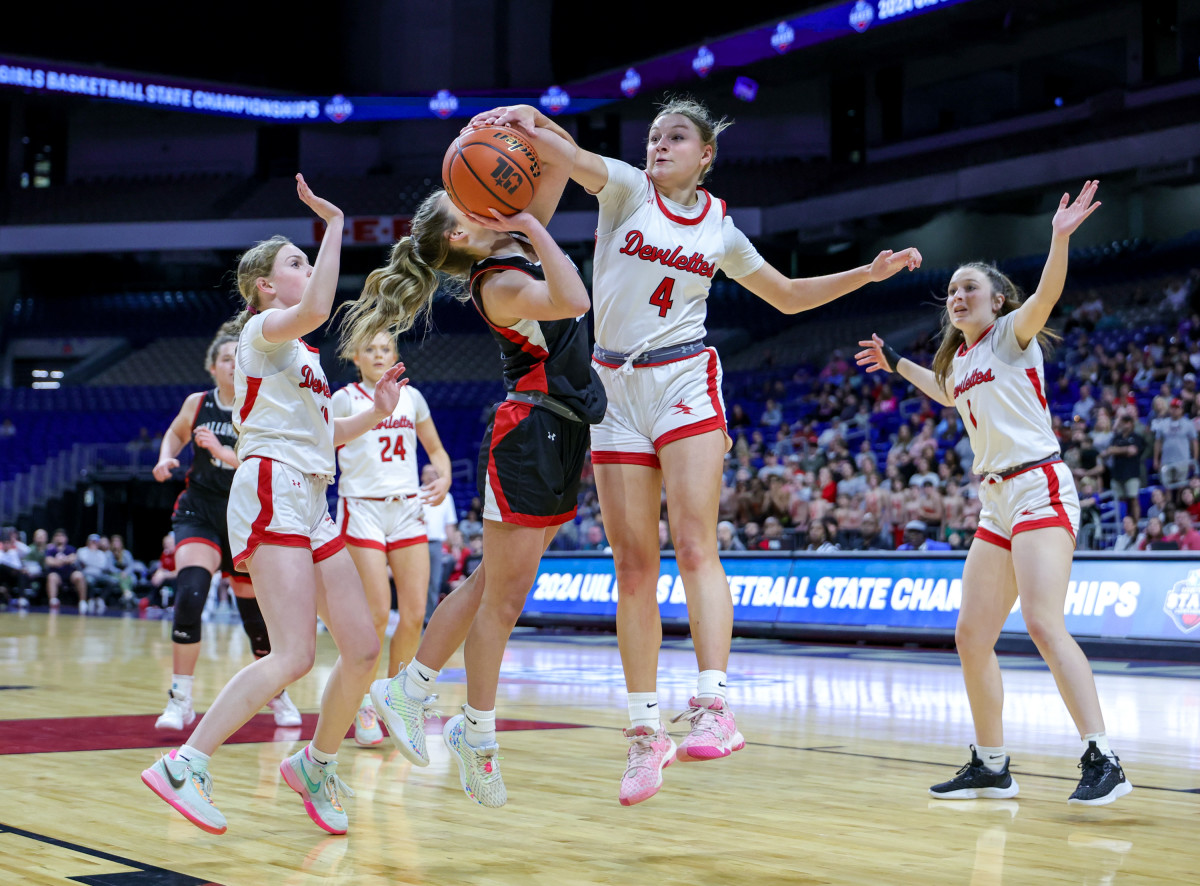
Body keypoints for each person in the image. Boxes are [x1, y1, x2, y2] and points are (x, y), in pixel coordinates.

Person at [466, 98, 922, 804]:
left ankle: (714, 703)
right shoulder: (623, 188)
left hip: (683, 376)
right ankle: (647, 734)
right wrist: (523, 121)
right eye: (653, 136)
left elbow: (790, 296)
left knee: (693, 541)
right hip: (613, 385)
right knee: (634, 565)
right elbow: (570, 156)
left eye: (676, 136)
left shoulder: (721, 229)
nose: (659, 145)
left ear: (706, 154)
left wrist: (866, 274)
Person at [142, 175, 405, 836]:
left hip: (312, 495)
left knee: (364, 645)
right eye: (296, 261)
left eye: (307, 257)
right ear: (266, 285)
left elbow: (323, 432)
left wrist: (373, 414)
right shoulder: (262, 333)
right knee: (291, 655)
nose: (308, 267)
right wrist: (336, 223)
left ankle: (316, 763)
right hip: (271, 488)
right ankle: (186, 764)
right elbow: (318, 306)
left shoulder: (304, 356)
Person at [856, 180, 1132, 806]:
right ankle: (991, 764)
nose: (956, 296)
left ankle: (1103, 756)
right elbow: (945, 390)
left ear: (996, 299)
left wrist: (1058, 240)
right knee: (971, 635)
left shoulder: (1012, 334)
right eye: (951, 291)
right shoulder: (962, 363)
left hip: (1039, 488)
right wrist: (897, 361)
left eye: (968, 288)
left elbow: (1049, 293)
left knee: (1041, 622)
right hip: (996, 504)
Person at [368, 120, 604, 809]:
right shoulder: (499, 281)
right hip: (526, 434)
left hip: (561, 433)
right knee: (496, 598)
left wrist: (524, 121)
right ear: (466, 237)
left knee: (497, 591)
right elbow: (575, 300)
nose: (490, 202)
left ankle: (442, 711)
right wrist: (531, 224)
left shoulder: (517, 245)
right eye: (470, 204)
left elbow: (553, 168)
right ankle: (441, 710)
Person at [150, 322, 303, 733]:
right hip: (200, 509)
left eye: (239, 357)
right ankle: (180, 699)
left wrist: (220, 451)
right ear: (213, 367)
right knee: (190, 592)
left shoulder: (263, 403)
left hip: (245, 513)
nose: (232, 363)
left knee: (254, 614)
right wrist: (167, 457)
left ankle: (277, 694)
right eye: (224, 358)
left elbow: (265, 458)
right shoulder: (198, 403)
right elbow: (175, 434)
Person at [331, 331, 452, 747]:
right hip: (362, 507)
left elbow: (436, 450)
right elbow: (324, 442)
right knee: (378, 614)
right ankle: (363, 702)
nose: (379, 354)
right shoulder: (345, 398)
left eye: (386, 348)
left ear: (395, 355)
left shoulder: (412, 397)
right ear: (355, 356)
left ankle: (396, 699)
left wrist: (446, 477)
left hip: (405, 510)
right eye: (370, 349)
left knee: (416, 612)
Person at [44, 528, 87, 611]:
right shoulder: (50, 550)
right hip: (57, 574)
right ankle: (53, 601)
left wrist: (58, 561)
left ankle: (82, 601)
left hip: (69, 574)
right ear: (54, 538)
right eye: (57, 536)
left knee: (79, 575)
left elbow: (73, 558)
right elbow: (49, 561)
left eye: (61, 536)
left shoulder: (70, 549)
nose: (59, 538)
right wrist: (65, 560)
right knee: (51, 577)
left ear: (66, 538)